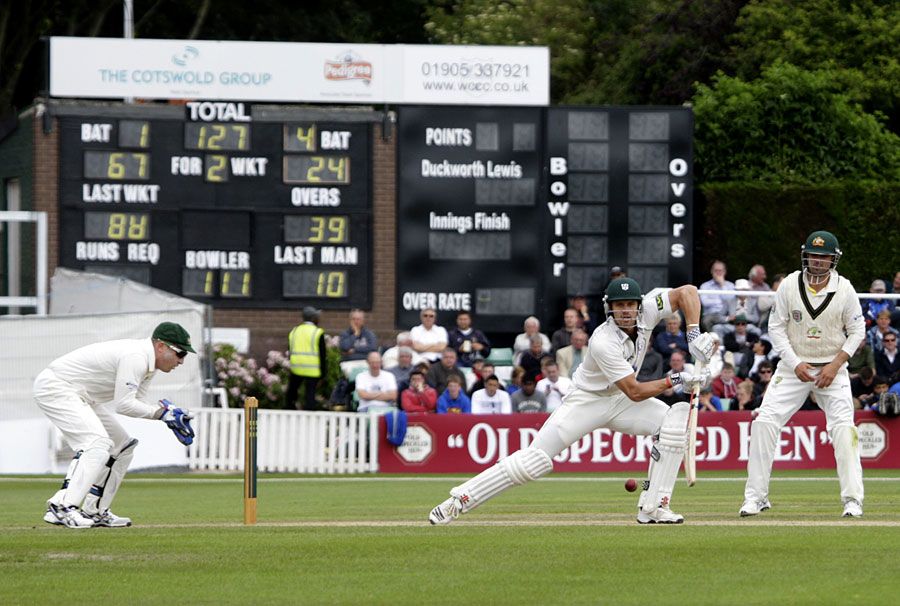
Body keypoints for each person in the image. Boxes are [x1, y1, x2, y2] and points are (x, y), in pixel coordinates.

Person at [428, 277, 717, 526]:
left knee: (674, 422)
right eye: (620, 306)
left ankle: (654, 507)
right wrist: (677, 379)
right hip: (587, 401)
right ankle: (459, 500)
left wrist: (693, 334)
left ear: (639, 305)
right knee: (534, 461)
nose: (626, 311)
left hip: (621, 401)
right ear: (610, 309)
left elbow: (688, 292)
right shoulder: (603, 341)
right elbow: (635, 391)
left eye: (630, 304)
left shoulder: (649, 310)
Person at [741, 231, 865, 518]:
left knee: (844, 430)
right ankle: (755, 497)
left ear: (833, 259)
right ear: (805, 255)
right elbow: (776, 327)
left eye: (823, 256)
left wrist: (835, 365)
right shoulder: (789, 285)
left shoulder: (844, 288)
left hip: (833, 367)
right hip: (793, 366)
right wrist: (795, 362)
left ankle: (852, 500)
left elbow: (857, 331)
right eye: (813, 255)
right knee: (764, 422)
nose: (818, 261)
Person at [34, 322, 196, 528]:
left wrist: (168, 414)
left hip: (82, 396)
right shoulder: (136, 357)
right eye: (180, 354)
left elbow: (136, 403)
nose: (181, 361)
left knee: (123, 447)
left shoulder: (149, 366)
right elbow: (123, 405)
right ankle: (62, 507)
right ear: (161, 346)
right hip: (57, 387)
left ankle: (95, 511)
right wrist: (162, 414)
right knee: (97, 444)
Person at [287, 306, 326, 411]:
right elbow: (322, 354)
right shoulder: (317, 332)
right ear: (314, 318)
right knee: (310, 396)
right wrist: (323, 374)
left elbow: (290, 350)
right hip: (312, 369)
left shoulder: (294, 331)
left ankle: (289, 409)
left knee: (292, 392)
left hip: (296, 368)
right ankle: (309, 415)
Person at [699, 260, 735, 336]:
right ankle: (714, 341)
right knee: (706, 321)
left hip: (727, 313)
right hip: (711, 315)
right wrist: (721, 301)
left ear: (725, 272)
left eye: (720, 271)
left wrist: (722, 285)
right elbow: (705, 302)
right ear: (711, 271)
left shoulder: (731, 286)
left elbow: (731, 301)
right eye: (716, 270)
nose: (718, 273)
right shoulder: (705, 286)